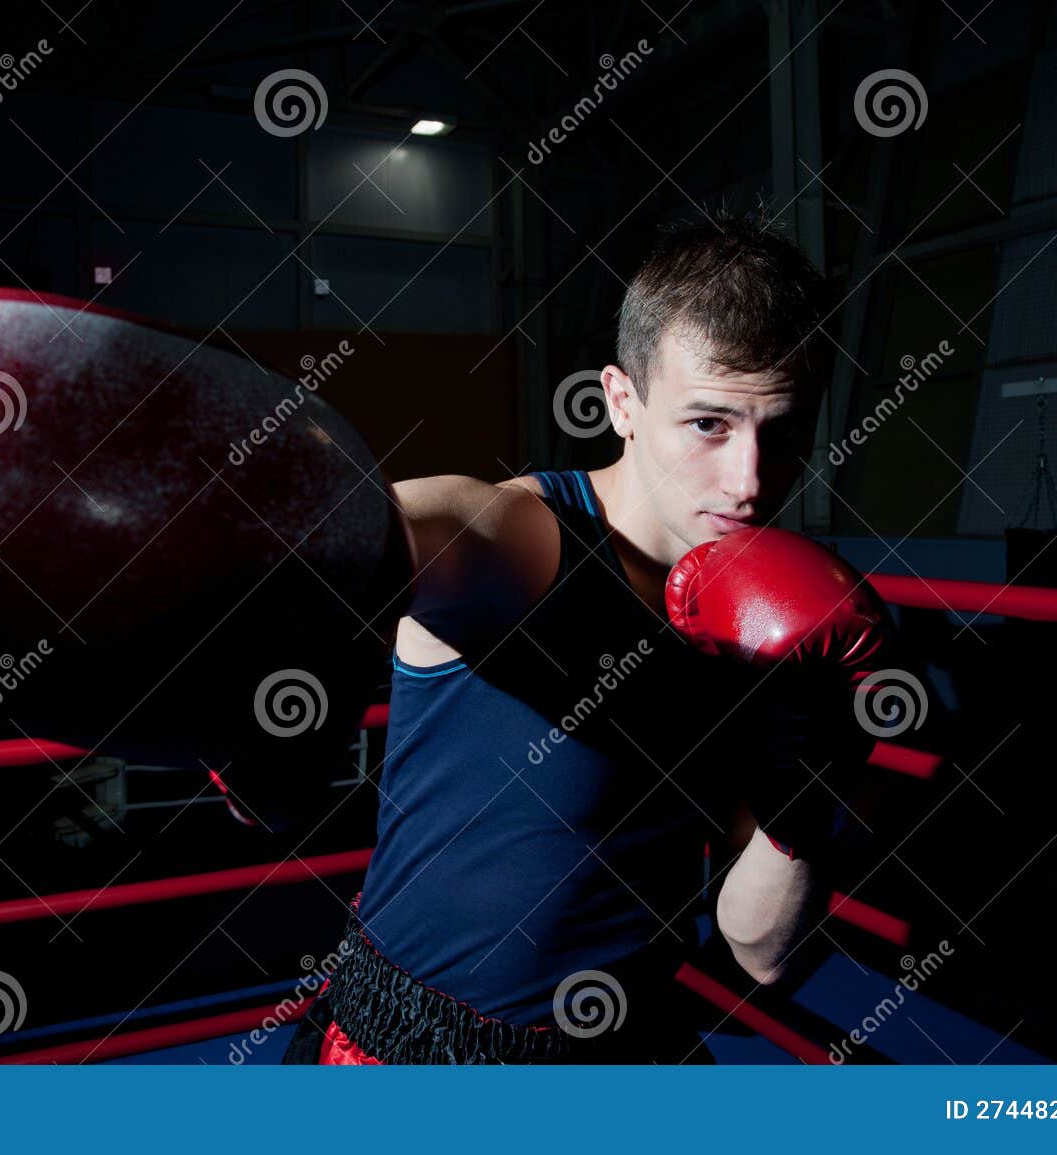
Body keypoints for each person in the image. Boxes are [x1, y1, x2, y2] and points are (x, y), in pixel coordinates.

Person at [281, 209, 883, 1064]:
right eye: (709, 424)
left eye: (781, 433)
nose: (749, 481)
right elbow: (380, 528)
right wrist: (274, 626)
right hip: (416, 1058)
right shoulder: (525, 541)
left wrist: (811, 786)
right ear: (622, 402)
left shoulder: (781, 623)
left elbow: (763, 951)